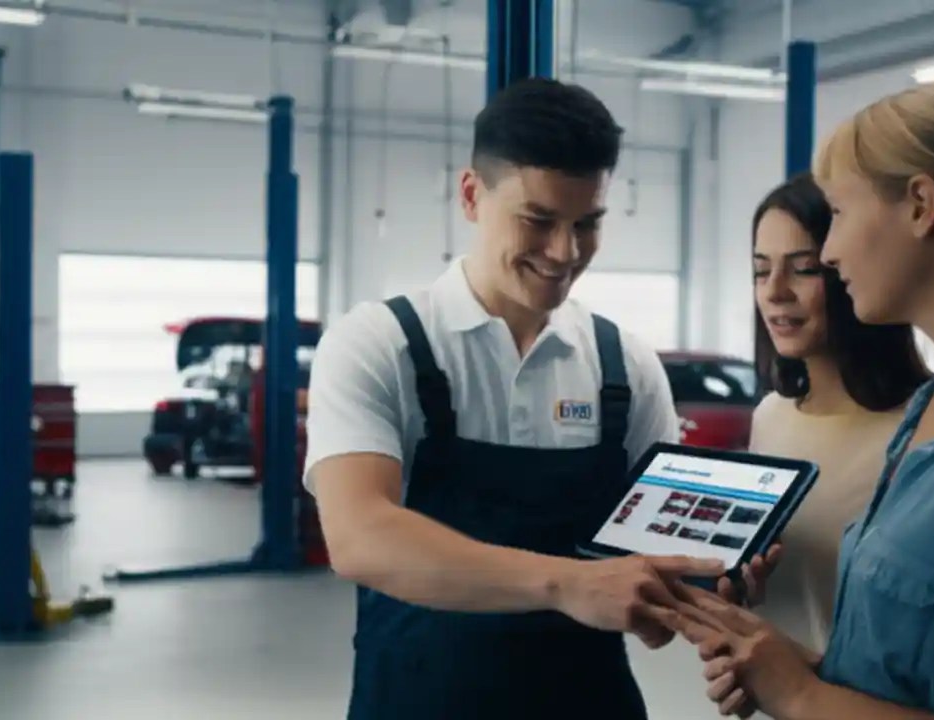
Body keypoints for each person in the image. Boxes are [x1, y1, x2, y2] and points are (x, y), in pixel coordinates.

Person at [303, 78, 747, 719]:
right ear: (471, 196)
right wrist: (568, 584)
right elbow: (360, 536)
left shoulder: (624, 364)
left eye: (587, 224)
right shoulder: (378, 344)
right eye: (538, 220)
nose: (565, 253)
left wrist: (713, 575)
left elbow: (648, 543)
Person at [680, 78, 934, 720]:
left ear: (919, 205)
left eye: (842, 213)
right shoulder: (932, 411)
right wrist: (800, 668)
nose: (831, 251)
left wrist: (804, 697)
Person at [747, 174, 930, 652]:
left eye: (803, 269)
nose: (775, 292)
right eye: (760, 271)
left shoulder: (927, 428)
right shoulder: (770, 417)